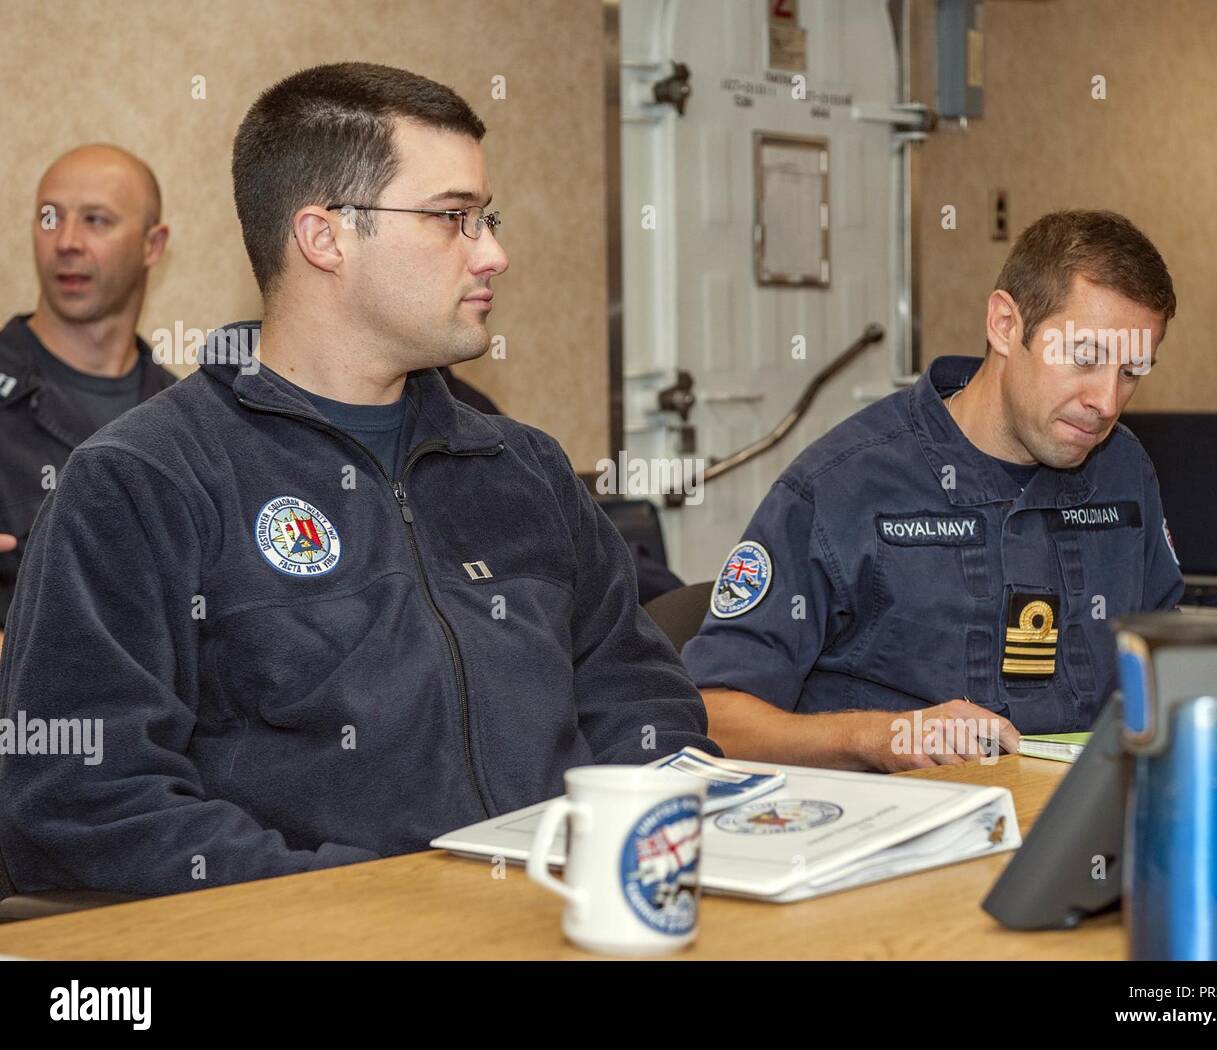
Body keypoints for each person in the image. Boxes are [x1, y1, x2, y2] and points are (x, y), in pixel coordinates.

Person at [0, 62, 716, 900]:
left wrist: (650, 829)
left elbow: (638, 692)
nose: (495, 253)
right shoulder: (139, 482)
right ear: (324, 237)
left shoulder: (522, 467)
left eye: (487, 218)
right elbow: (82, 804)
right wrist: (372, 906)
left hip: (568, 918)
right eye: (454, 218)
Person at [682, 210, 1184, 770]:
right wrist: (879, 738)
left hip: (1078, 831)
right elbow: (713, 716)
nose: (1107, 402)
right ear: (1004, 324)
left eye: (1131, 372)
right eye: (1084, 358)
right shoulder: (841, 486)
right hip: (894, 837)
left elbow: (1171, 669)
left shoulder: (1124, 469)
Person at [0, 144, 174, 637]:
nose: (67, 242)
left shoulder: (187, 422)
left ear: (152, 245)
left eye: (96, 220)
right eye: (50, 218)